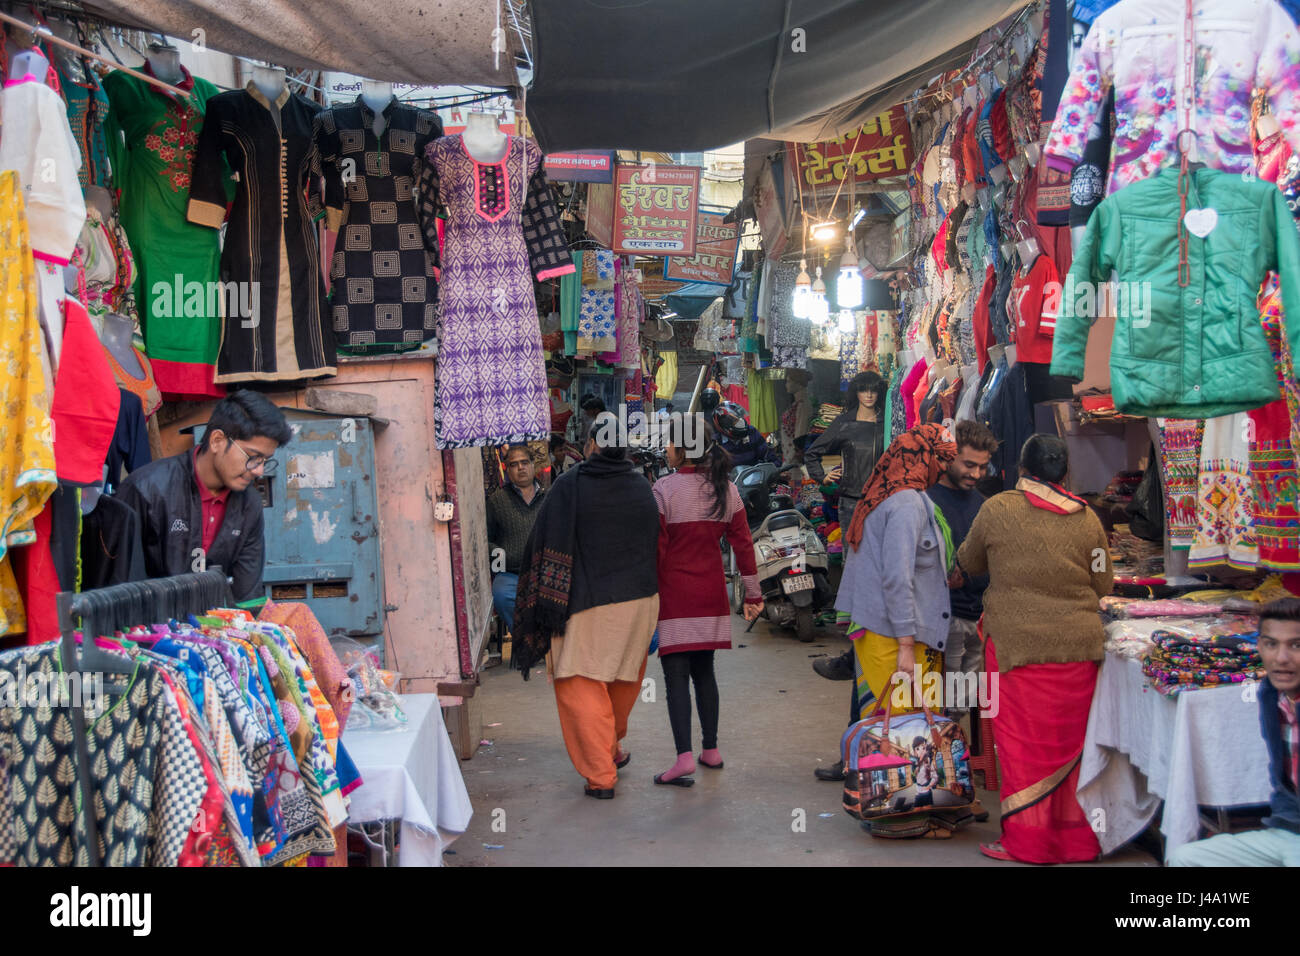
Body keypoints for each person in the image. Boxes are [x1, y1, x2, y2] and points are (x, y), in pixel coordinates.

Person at [956, 433, 1114, 863]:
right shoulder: (1088, 520)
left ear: (1022, 470)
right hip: (1079, 651)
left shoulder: (997, 510)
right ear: (1064, 473)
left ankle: (1027, 843)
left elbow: (968, 563)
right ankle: (1077, 841)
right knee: (1072, 748)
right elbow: (1102, 580)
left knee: (1023, 749)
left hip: (1016, 649)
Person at [510, 412, 660, 799]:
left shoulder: (569, 485)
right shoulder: (642, 487)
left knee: (580, 683)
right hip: (639, 604)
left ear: (591, 444)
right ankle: (610, 749)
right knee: (622, 680)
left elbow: (543, 542)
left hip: (585, 604)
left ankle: (601, 775)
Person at [816, 423, 957, 782]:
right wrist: (906, 645)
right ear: (923, 459)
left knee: (900, 723)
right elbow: (897, 577)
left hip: (889, 627)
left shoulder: (897, 496)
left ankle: (903, 799)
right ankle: (894, 803)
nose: (943, 469)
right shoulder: (907, 504)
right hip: (892, 634)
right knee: (898, 726)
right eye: (940, 461)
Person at [651, 435, 764, 786]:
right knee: (704, 672)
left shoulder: (663, 489)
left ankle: (684, 757)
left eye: (670, 443)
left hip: (675, 596)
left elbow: (656, 550)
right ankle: (710, 750)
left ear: (682, 449)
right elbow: (744, 544)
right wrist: (753, 594)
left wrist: (646, 598)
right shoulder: (726, 488)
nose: (666, 449)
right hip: (709, 594)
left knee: (675, 678)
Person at [116, 389, 291, 603]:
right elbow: (120, 588)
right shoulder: (145, 489)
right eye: (253, 457)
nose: (259, 471)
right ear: (217, 440)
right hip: (148, 630)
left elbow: (247, 595)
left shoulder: (249, 503)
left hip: (213, 629)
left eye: (265, 460)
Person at [1168, 598, 1300, 866]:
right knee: (1186, 859)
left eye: (1296, 645)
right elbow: (1284, 787)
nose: (1281, 658)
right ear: (1259, 646)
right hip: (1289, 834)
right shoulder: (1270, 696)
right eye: (1271, 644)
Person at [808, 371, 890, 684]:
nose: (868, 396)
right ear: (856, 392)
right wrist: (821, 476)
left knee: (881, 566)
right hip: (853, 502)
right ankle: (857, 632)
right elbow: (814, 451)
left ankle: (876, 630)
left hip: (882, 502)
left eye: (873, 391)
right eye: (863, 390)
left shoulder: (887, 421)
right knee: (856, 564)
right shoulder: (844, 422)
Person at [926, 421, 998, 690]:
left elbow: (994, 562)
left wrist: (968, 577)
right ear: (949, 456)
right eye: (969, 465)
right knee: (943, 705)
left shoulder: (983, 504)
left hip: (978, 620)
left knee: (965, 702)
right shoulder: (925, 500)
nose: (977, 474)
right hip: (944, 621)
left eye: (982, 466)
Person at [486, 444, 546, 635]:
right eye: (514, 464)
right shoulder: (497, 501)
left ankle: (545, 640)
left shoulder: (549, 497)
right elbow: (486, 539)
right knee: (501, 594)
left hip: (545, 571)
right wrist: (503, 557)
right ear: (507, 469)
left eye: (524, 462)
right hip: (511, 574)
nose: (520, 468)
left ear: (532, 465)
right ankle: (526, 639)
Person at [713, 401, 777, 467]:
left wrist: (774, 467)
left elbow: (768, 456)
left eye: (740, 418)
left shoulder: (751, 432)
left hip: (755, 475)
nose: (741, 422)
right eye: (735, 421)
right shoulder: (716, 443)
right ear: (724, 424)